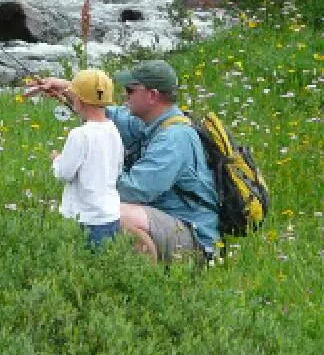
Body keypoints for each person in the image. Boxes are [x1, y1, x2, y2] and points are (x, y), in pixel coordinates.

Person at [26, 60, 220, 262]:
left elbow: (135, 190)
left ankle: (134, 275)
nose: (125, 95)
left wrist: (86, 171)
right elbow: (102, 113)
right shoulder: (151, 123)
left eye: (130, 90)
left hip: (194, 236)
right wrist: (71, 90)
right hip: (166, 220)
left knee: (108, 212)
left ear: (152, 95)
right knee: (94, 209)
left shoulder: (174, 139)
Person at [50, 69, 124, 248]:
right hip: (110, 216)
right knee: (104, 263)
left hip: (84, 218)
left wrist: (56, 160)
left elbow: (64, 174)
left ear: (77, 101)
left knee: (80, 261)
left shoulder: (79, 134)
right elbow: (119, 167)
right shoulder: (114, 130)